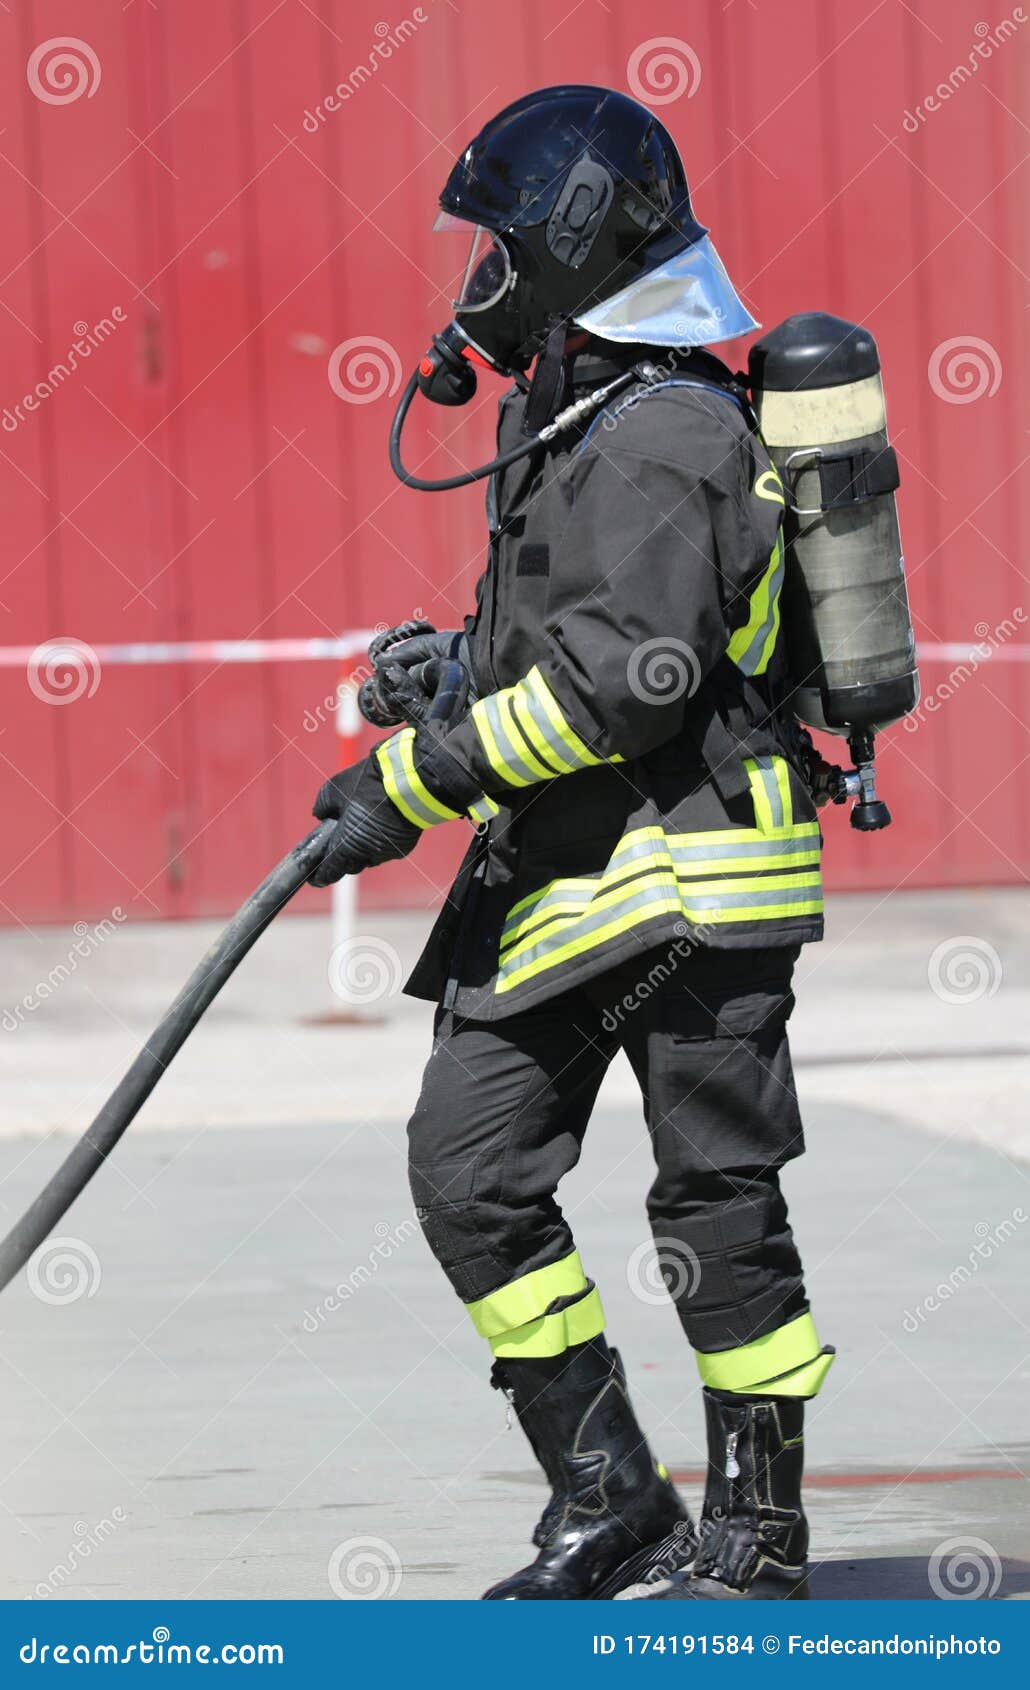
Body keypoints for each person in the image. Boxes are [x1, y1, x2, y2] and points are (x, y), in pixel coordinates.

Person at [310, 85, 833, 1602]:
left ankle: (756, 1527)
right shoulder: (578, 417)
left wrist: (414, 777)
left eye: (497, 246)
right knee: (467, 1167)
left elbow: (628, 683)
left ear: (574, 242)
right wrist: (448, 680)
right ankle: (610, 1495)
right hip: (568, 881)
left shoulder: (667, 426)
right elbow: (575, 644)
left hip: (692, 880)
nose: (477, 282)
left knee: (711, 1201)